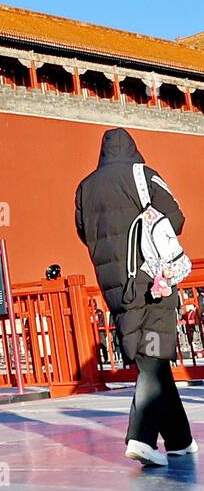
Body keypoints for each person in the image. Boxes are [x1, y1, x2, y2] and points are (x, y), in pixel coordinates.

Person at [76, 128, 193, 466]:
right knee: (154, 357)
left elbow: (84, 233)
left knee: (151, 361)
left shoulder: (85, 188)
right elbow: (176, 218)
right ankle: (141, 437)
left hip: (116, 289)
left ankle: (179, 439)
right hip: (152, 283)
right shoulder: (142, 175)